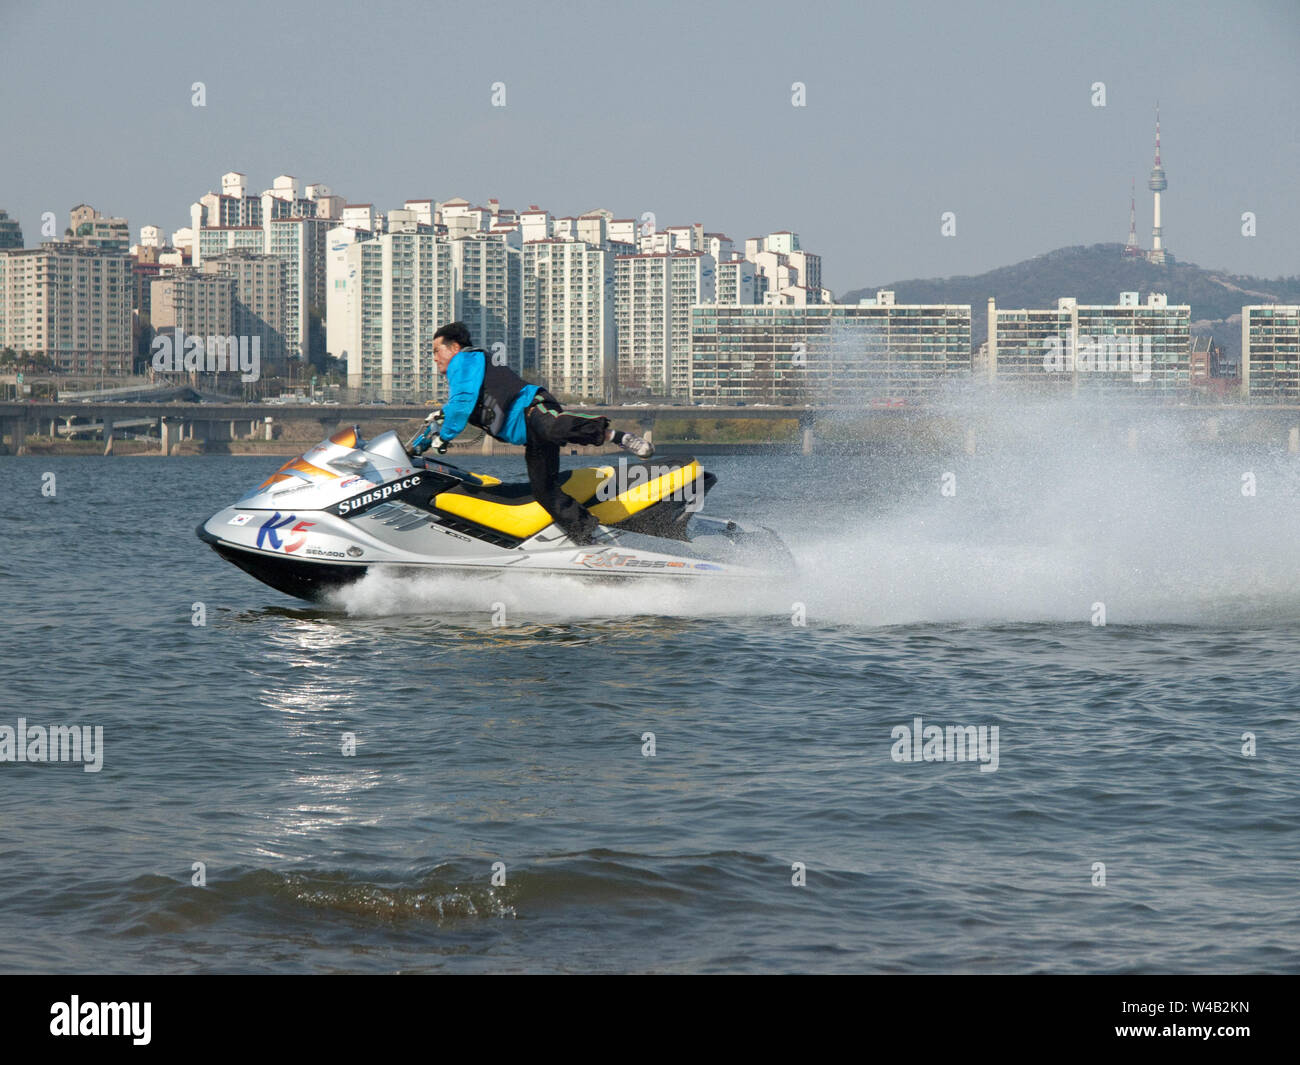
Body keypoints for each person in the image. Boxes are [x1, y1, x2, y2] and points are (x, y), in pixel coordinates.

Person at [417, 322, 654, 545]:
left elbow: (460, 405)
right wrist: (420, 444)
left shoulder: (464, 360)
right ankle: (588, 537)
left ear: (455, 347)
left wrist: (445, 436)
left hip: (533, 409)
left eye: (437, 350)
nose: (434, 357)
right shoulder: (464, 373)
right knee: (543, 490)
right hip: (531, 436)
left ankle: (618, 437)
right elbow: (451, 410)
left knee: (553, 428)